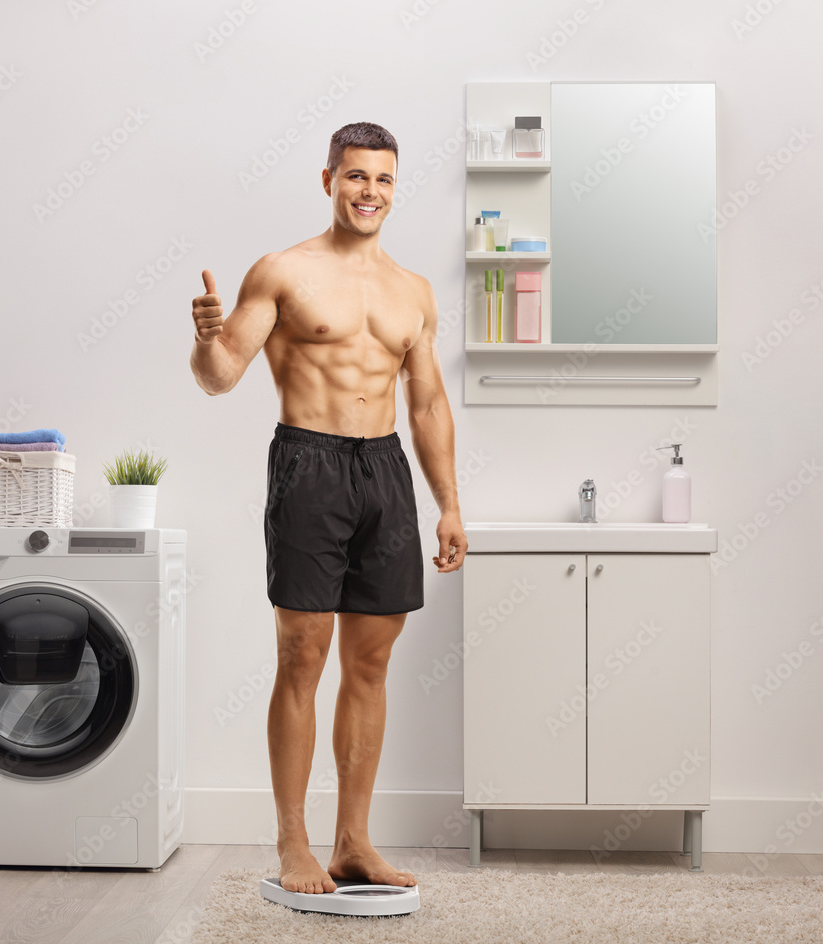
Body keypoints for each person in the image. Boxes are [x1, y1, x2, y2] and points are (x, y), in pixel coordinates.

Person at [191, 121, 467, 895]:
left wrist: (449, 504)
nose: (368, 191)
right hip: (308, 464)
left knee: (371, 665)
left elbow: (428, 405)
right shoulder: (283, 271)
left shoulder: (413, 290)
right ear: (328, 181)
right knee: (302, 656)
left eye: (382, 179)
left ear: (394, 188)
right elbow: (219, 376)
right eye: (355, 176)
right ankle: (293, 845)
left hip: (385, 472)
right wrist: (207, 338)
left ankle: (354, 843)